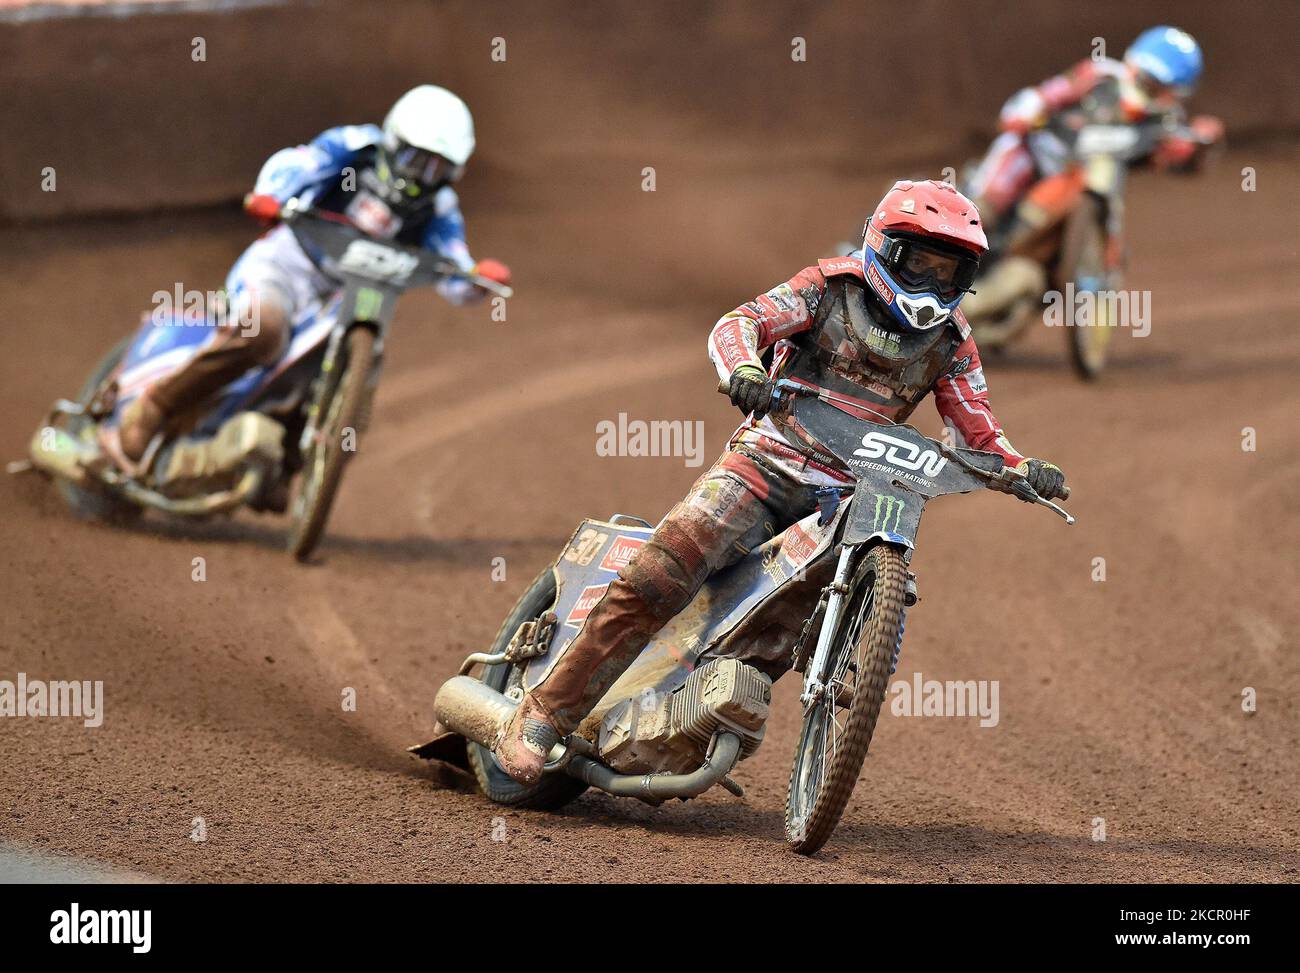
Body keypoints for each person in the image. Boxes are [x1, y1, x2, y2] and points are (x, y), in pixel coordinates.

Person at [493, 179, 1066, 784]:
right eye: (917, 263)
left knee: (782, 631)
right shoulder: (827, 288)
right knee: (665, 570)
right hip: (764, 464)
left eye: (947, 272)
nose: (929, 283)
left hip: (847, 499)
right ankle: (544, 714)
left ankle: (696, 713)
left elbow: (979, 431)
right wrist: (742, 367)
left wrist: (1022, 469)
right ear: (883, 248)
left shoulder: (952, 343)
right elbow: (741, 323)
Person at [102, 84, 511, 473]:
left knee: (336, 368)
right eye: (415, 160)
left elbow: (453, 263)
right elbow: (298, 164)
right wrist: (272, 195)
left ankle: (287, 465)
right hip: (286, 266)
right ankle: (152, 410)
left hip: (344, 302)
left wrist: (476, 280)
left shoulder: (439, 207)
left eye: (438, 168)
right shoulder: (355, 147)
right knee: (265, 330)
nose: (422, 176)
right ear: (393, 141)